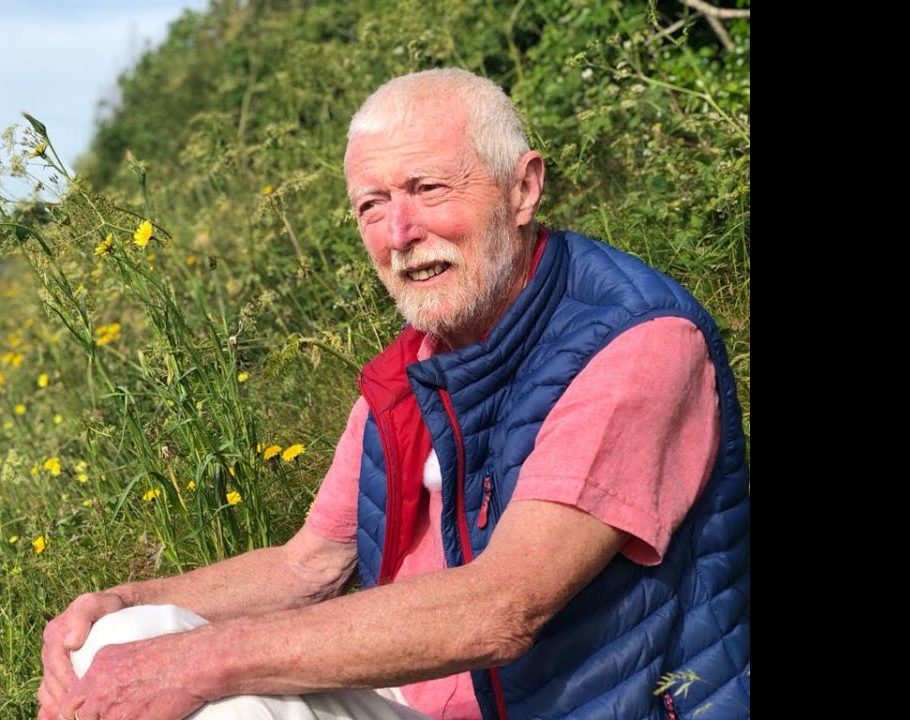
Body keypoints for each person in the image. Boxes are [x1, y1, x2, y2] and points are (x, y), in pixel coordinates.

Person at [37, 68, 750, 720]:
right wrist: (121, 604)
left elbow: (503, 607)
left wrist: (200, 662)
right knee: (118, 640)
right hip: (420, 705)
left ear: (523, 188)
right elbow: (306, 566)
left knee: (225, 704)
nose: (401, 234)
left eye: (429, 189)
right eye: (372, 206)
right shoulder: (412, 372)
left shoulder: (636, 341)